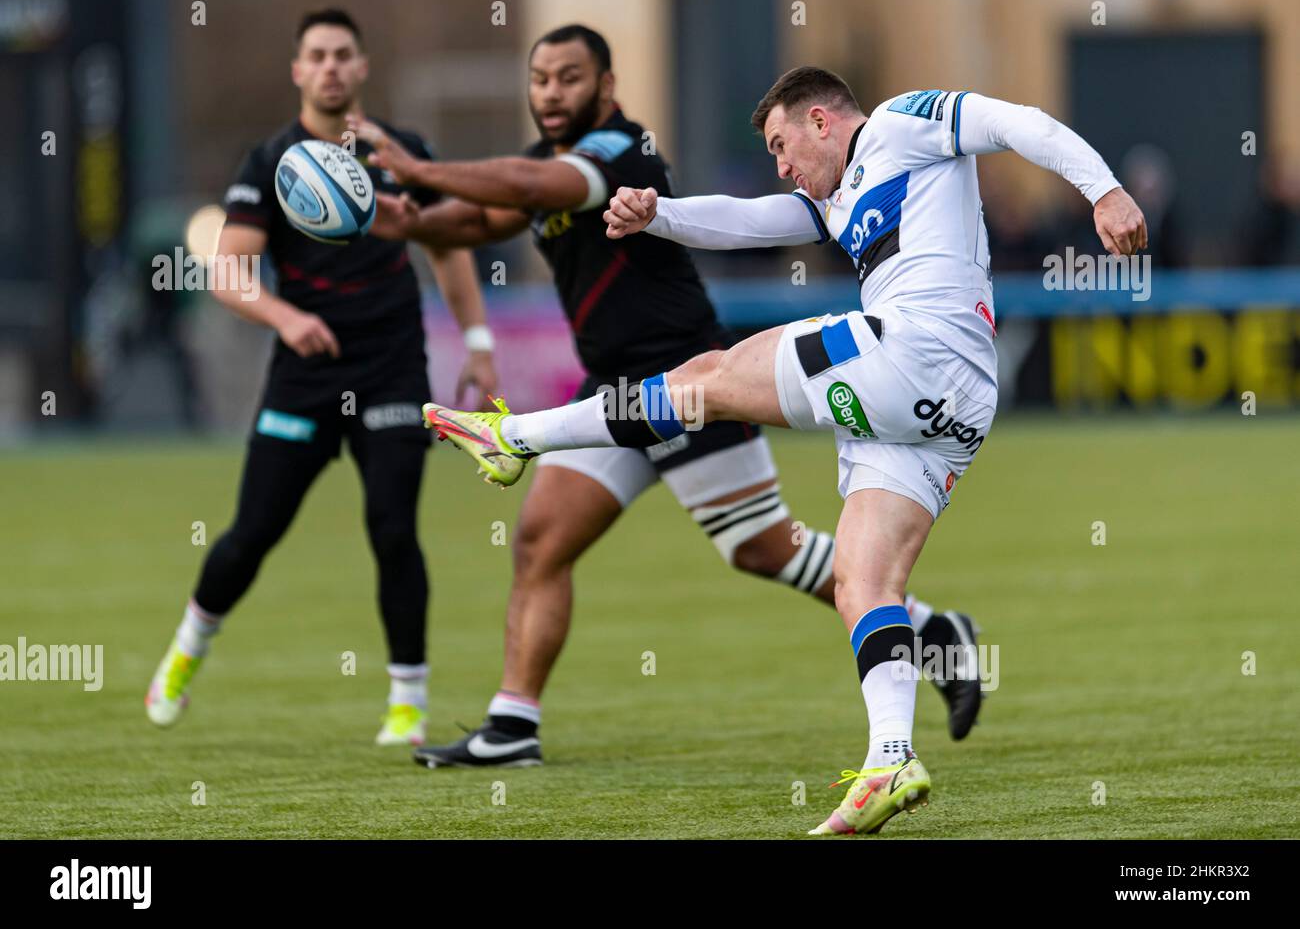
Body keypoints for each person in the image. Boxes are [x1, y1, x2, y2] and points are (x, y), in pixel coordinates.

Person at [418, 69, 1147, 834]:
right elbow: (749, 220)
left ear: (822, 121)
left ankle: (513, 437)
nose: (781, 165)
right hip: (947, 406)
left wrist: (1102, 189)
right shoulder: (834, 200)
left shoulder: (905, 122)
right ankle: (892, 757)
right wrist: (659, 215)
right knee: (862, 584)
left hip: (916, 351)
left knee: (707, 377)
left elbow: (1018, 121)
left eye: (780, 145)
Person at [352, 27, 983, 770]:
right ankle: (513, 724)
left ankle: (928, 631)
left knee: (761, 548)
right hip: (610, 386)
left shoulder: (621, 152)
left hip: (689, 373)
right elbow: (480, 216)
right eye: (541, 78)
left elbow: (528, 193)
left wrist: (415, 167)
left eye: (568, 77)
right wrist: (392, 217)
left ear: (606, 87)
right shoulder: (530, 165)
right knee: (539, 541)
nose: (551, 91)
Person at [144, 9, 497, 747]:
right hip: (305, 370)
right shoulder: (270, 161)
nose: (331, 66)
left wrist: (476, 338)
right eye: (317, 55)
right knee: (252, 534)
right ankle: (187, 648)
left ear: (362, 67)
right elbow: (229, 273)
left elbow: (449, 248)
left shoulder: (405, 152)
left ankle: (408, 700)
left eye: (343, 54)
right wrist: (284, 318)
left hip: (393, 364)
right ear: (299, 71)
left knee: (393, 528)